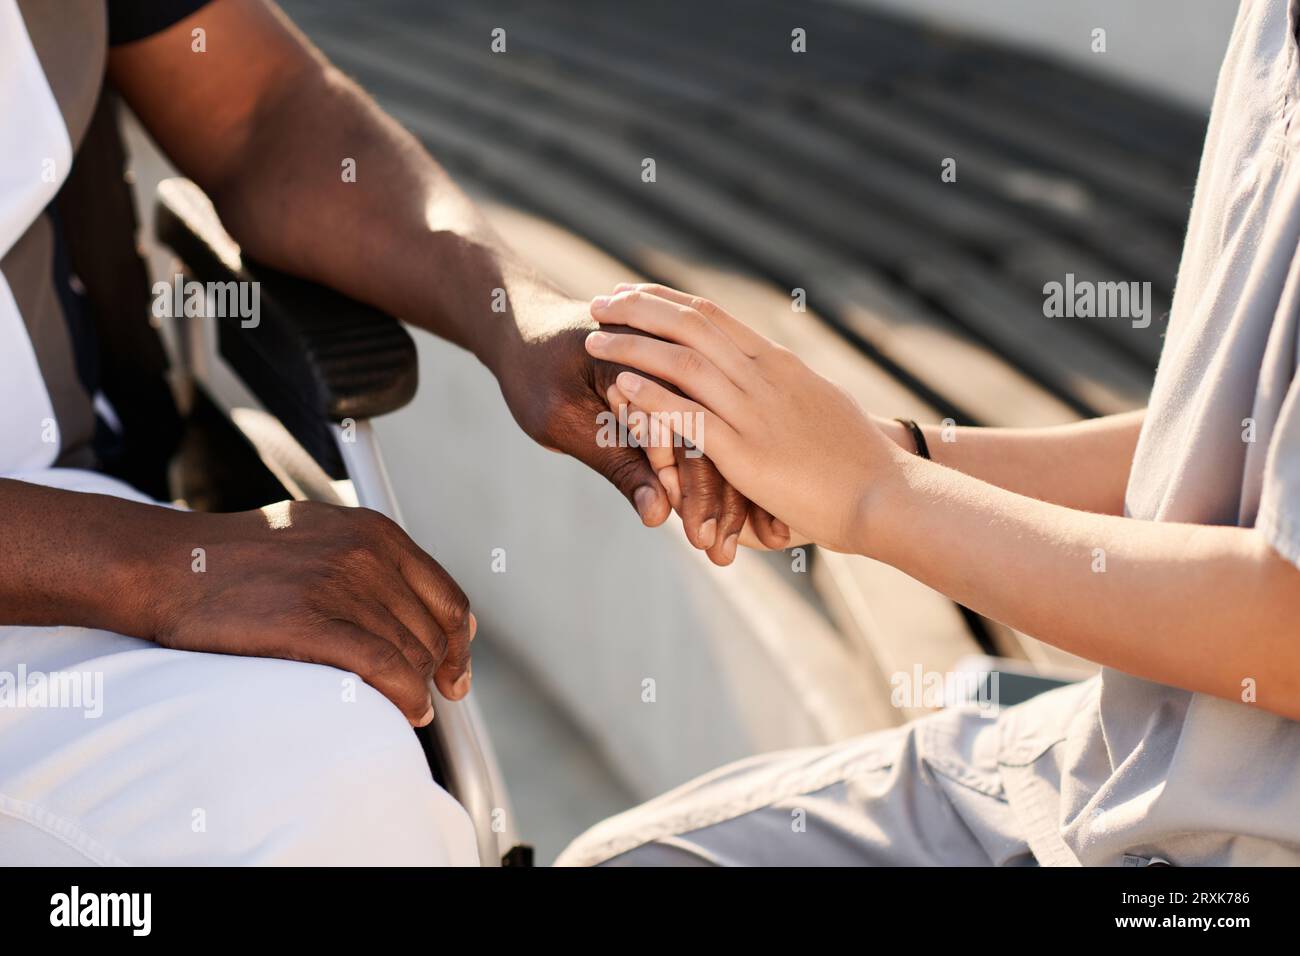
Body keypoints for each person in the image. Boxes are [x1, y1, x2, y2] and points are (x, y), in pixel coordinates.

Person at [0, 0, 777, 865]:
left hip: (53, 511)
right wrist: (149, 567)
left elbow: (263, 112)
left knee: (332, 782)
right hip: (72, 554)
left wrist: (521, 314)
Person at [559, 0, 1300, 867]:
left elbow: (1283, 625)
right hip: (1117, 770)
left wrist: (876, 494)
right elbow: (1236, 445)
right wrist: (903, 455)